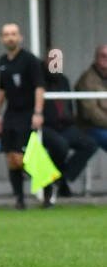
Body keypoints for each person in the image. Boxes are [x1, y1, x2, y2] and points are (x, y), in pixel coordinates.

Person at [0, 22, 44, 209]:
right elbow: (1, 89)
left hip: (27, 112)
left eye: (14, 34)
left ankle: (47, 184)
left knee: (23, 157)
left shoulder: (30, 60)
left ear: (20, 37)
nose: (10, 37)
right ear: (2, 39)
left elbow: (39, 87)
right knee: (11, 158)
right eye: (6, 34)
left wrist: (38, 112)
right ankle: (19, 199)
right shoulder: (3, 62)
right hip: (11, 114)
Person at [42, 51, 97, 202]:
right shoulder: (40, 81)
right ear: (45, 61)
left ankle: (62, 178)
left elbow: (69, 104)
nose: (55, 63)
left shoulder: (63, 80)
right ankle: (53, 182)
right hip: (47, 126)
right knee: (61, 145)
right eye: (52, 59)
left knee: (89, 144)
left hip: (65, 126)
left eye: (58, 59)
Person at [75, 44, 107, 151]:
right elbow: (92, 113)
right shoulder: (87, 80)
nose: (106, 59)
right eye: (103, 56)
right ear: (96, 58)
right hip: (91, 128)